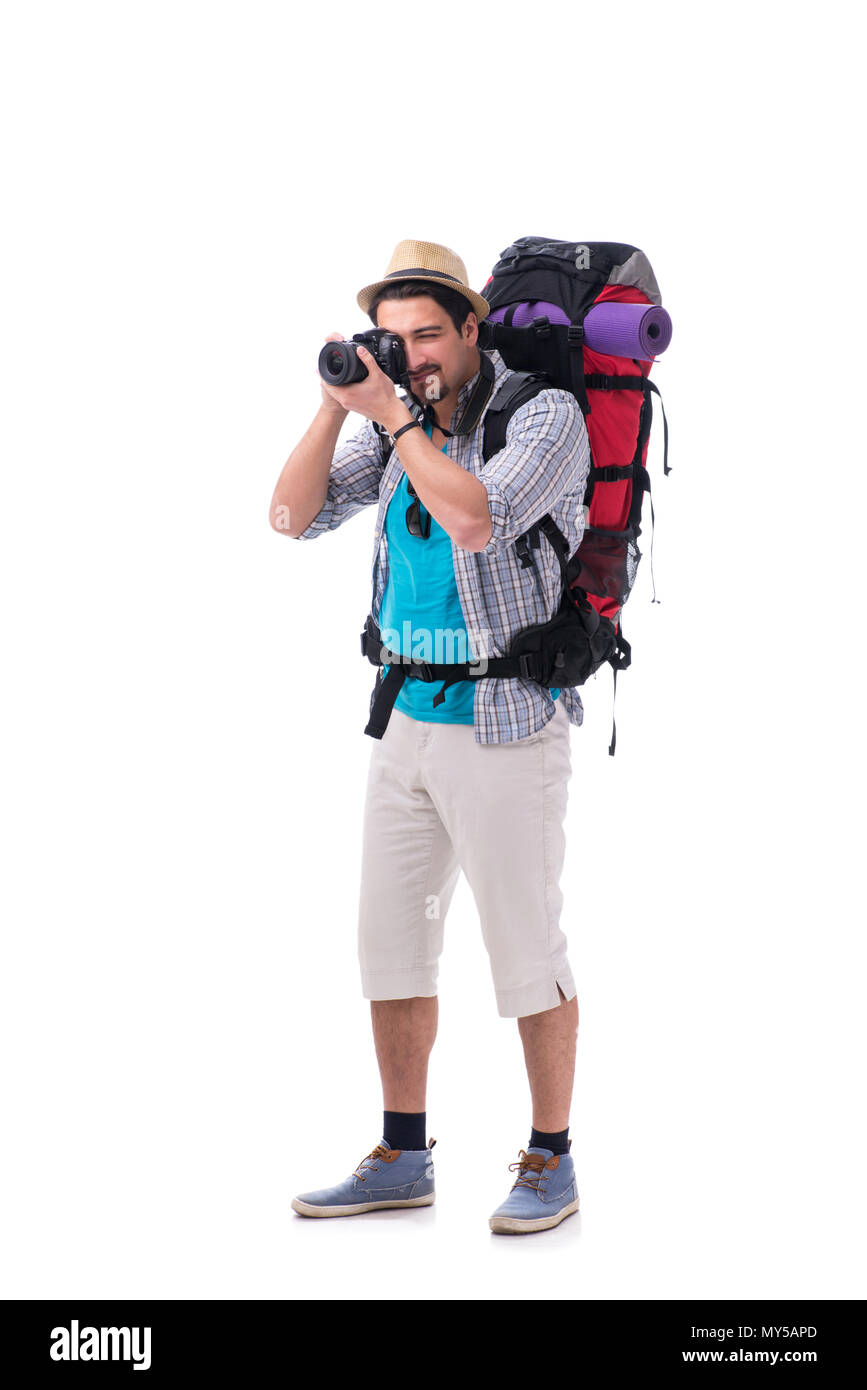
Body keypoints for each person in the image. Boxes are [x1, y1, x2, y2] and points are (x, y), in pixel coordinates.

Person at [269, 240, 590, 1234]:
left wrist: (397, 416)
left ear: (471, 329)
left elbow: (478, 518)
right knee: (391, 949)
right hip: (405, 718)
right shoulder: (393, 423)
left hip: (506, 723)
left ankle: (553, 1157)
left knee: (526, 951)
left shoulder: (542, 416)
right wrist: (335, 403)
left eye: (426, 336)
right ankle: (403, 1153)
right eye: (391, 338)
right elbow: (289, 516)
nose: (410, 355)